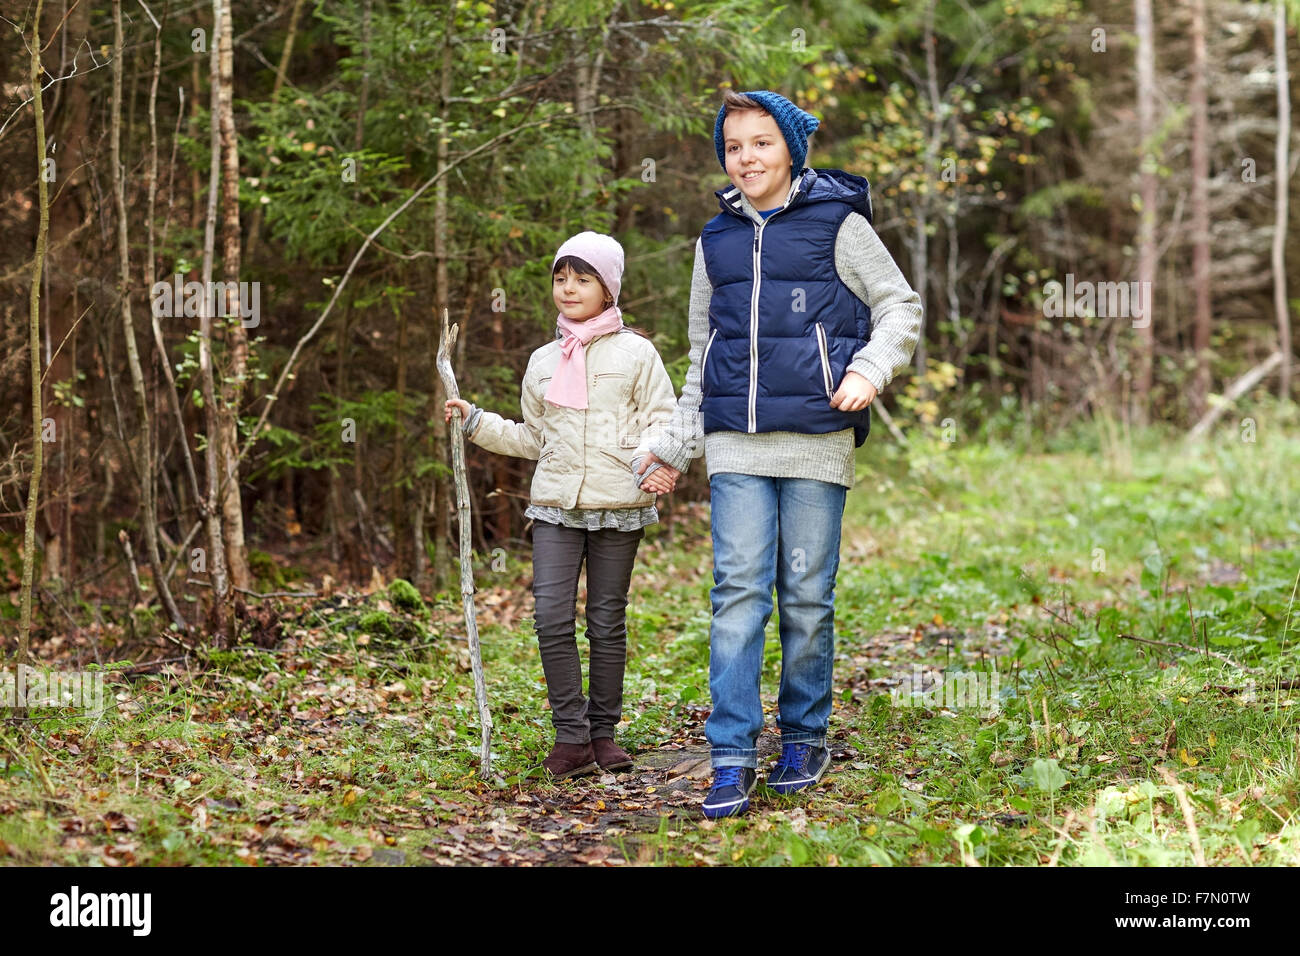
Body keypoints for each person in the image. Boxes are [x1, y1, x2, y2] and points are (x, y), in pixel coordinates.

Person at [633, 90, 923, 817]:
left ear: (790, 149)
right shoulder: (716, 240)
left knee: (803, 598)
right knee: (735, 596)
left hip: (817, 440)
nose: (746, 158)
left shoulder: (840, 224)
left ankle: (804, 735)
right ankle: (730, 754)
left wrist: (868, 369)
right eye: (734, 147)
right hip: (735, 442)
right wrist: (676, 443)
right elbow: (704, 351)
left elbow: (899, 305)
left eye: (761, 143)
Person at [445, 231, 679, 779]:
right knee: (551, 618)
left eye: (582, 278)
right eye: (560, 278)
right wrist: (477, 422)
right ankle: (570, 738)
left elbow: (664, 419)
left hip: (619, 502)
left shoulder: (637, 352)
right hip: (555, 505)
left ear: (608, 288)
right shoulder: (543, 360)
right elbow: (534, 437)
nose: (568, 288)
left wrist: (659, 461)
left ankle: (604, 734)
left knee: (605, 620)